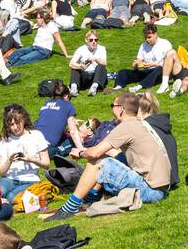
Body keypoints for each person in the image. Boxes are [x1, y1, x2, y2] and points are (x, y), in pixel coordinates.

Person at [42, 91, 171, 219]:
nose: (111, 108)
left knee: (97, 162)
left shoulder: (126, 126)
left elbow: (94, 152)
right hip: (162, 189)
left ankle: (70, 207)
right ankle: (88, 199)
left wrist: (80, 152)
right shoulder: (141, 124)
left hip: (151, 191)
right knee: (104, 159)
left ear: (121, 109)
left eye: (112, 105)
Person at [113, 23, 174, 90]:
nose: (147, 40)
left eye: (149, 37)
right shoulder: (143, 45)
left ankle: (139, 86)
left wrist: (154, 65)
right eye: (145, 37)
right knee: (123, 71)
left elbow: (169, 64)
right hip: (146, 70)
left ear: (156, 34)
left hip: (161, 71)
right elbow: (139, 60)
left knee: (158, 69)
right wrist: (136, 64)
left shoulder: (165, 44)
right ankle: (118, 87)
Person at [5, 9, 70, 67]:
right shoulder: (40, 25)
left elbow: (60, 42)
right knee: (19, 51)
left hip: (44, 51)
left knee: (24, 58)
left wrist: (66, 55)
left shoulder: (52, 27)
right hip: (34, 47)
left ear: (43, 19)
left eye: (38, 18)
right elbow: (32, 25)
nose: (36, 19)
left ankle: (8, 66)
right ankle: (5, 62)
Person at [68, 30, 108, 95]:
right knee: (75, 68)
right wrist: (80, 66)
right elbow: (71, 64)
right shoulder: (81, 49)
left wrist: (96, 59)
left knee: (101, 66)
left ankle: (94, 87)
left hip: (96, 75)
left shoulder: (101, 48)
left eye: (96, 40)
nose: (94, 42)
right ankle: (74, 88)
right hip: (85, 74)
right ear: (86, 40)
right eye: (91, 40)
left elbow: (105, 63)